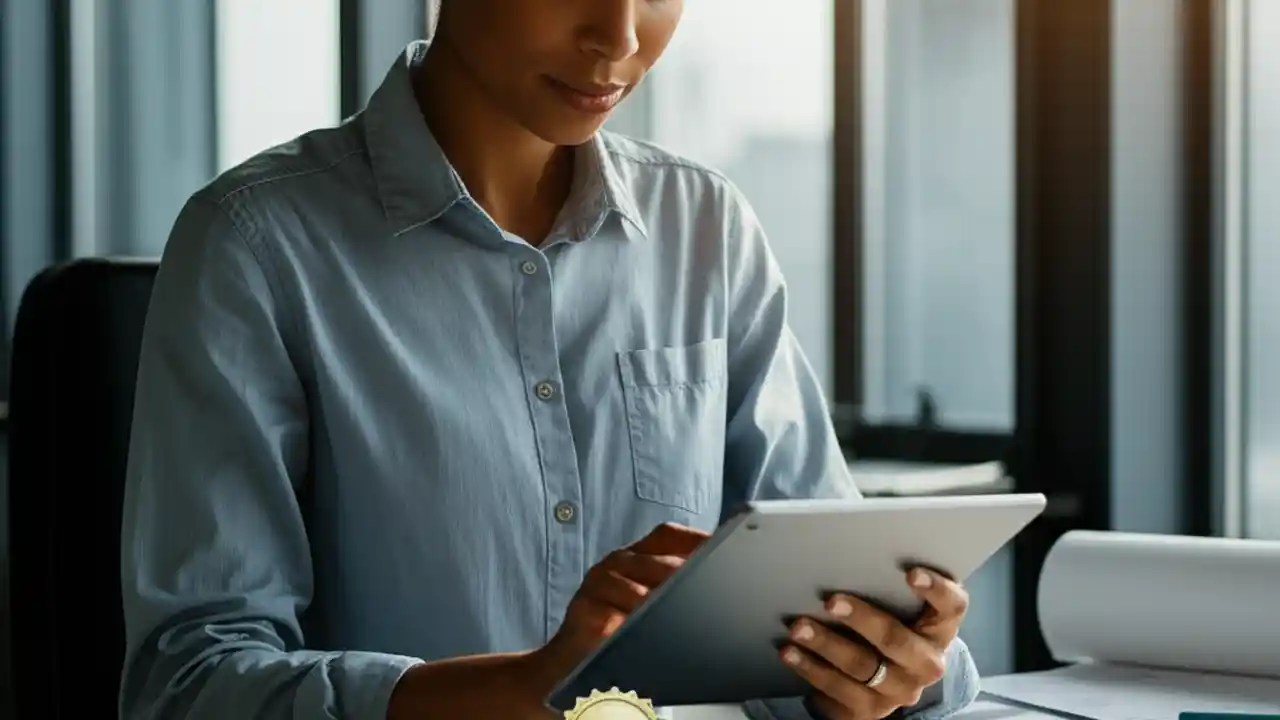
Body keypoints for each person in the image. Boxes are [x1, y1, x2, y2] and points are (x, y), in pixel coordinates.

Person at [119, 1, 981, 718]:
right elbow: (188, 686)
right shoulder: (257, 246)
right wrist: (522, 690)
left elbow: (831, 621)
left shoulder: (706, 231)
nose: (621, 36)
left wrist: (882, 667)